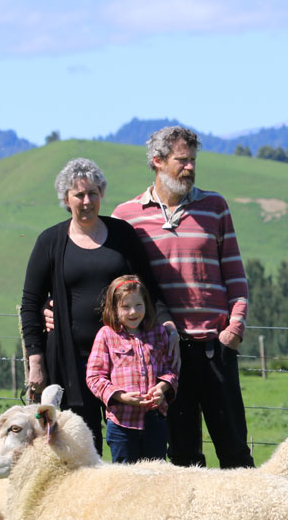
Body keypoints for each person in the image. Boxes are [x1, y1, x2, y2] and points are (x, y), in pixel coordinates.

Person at [111, 126, 254, 469]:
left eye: (193, 160)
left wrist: (235, 327)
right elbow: (112, 280)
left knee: (234, 448)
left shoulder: (214, 207)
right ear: (157, 162)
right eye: (182, 161)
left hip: (213, 346)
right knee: (183, 455)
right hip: (163, 353)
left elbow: (235, 274)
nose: (190, 168)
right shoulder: (126, 216)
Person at [21, 158, 175, 455]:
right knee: (78, 448)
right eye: (79, 195)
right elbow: (30, 303)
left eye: (93, 193)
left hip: (127, 362)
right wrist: (36, 362)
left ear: (101, 194)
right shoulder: (50, 242)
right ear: (66, 199)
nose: (87, 201)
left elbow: (150, 288)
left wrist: (168, 326)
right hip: (70, 362)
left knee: (132, 450)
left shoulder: (123, 235)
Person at [86, 275, 177, 463]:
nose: (133, 312)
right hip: (122, 424)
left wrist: (162, 388)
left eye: (138, 305)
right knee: (125, 480)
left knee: (156, 477)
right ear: (114, 308)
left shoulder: (158, 332)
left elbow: (171, 368)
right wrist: (121, 396)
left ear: (146, 304)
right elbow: (94, 376)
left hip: (155, 420)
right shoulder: (107, 335)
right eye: (125, 307)